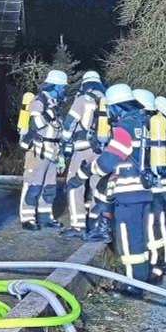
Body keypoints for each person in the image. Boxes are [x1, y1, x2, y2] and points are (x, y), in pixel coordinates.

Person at [67, 84, 151, 295]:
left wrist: (85, 172)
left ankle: (133, 286)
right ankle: (138, 280)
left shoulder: (125, 127)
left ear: (116, 107)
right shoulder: (142, 123)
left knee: (128, 240)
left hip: (128, 190)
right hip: (141, 189)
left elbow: (109, 161)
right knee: (137, 238)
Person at [60, 71, 106, 238]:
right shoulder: (106, 100)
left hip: (82, 149)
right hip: (101, 150)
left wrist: (64, 140)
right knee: (98, 186)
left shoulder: (82, 99)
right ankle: (96, 223)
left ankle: (78, 225)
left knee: (75, 185)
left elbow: (70, 121)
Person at [21, 70, 68, 230]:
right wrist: (50, 114)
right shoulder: (39, 100)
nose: (64, 90)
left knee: (49, 187)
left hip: (53, 150)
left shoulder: (55, 102)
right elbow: (35, 124)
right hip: (38, 150)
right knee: (33, 184)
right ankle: (28, 218)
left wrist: (61, 155)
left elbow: (58, 130)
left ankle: (45, 217)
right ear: (55, 85)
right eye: (62, 87)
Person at [147, 96, 166, 281]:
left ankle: (155, 262)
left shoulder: (154, 130)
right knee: (164, 225)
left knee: (152, 225)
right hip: (164, 187)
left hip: (154, 187)